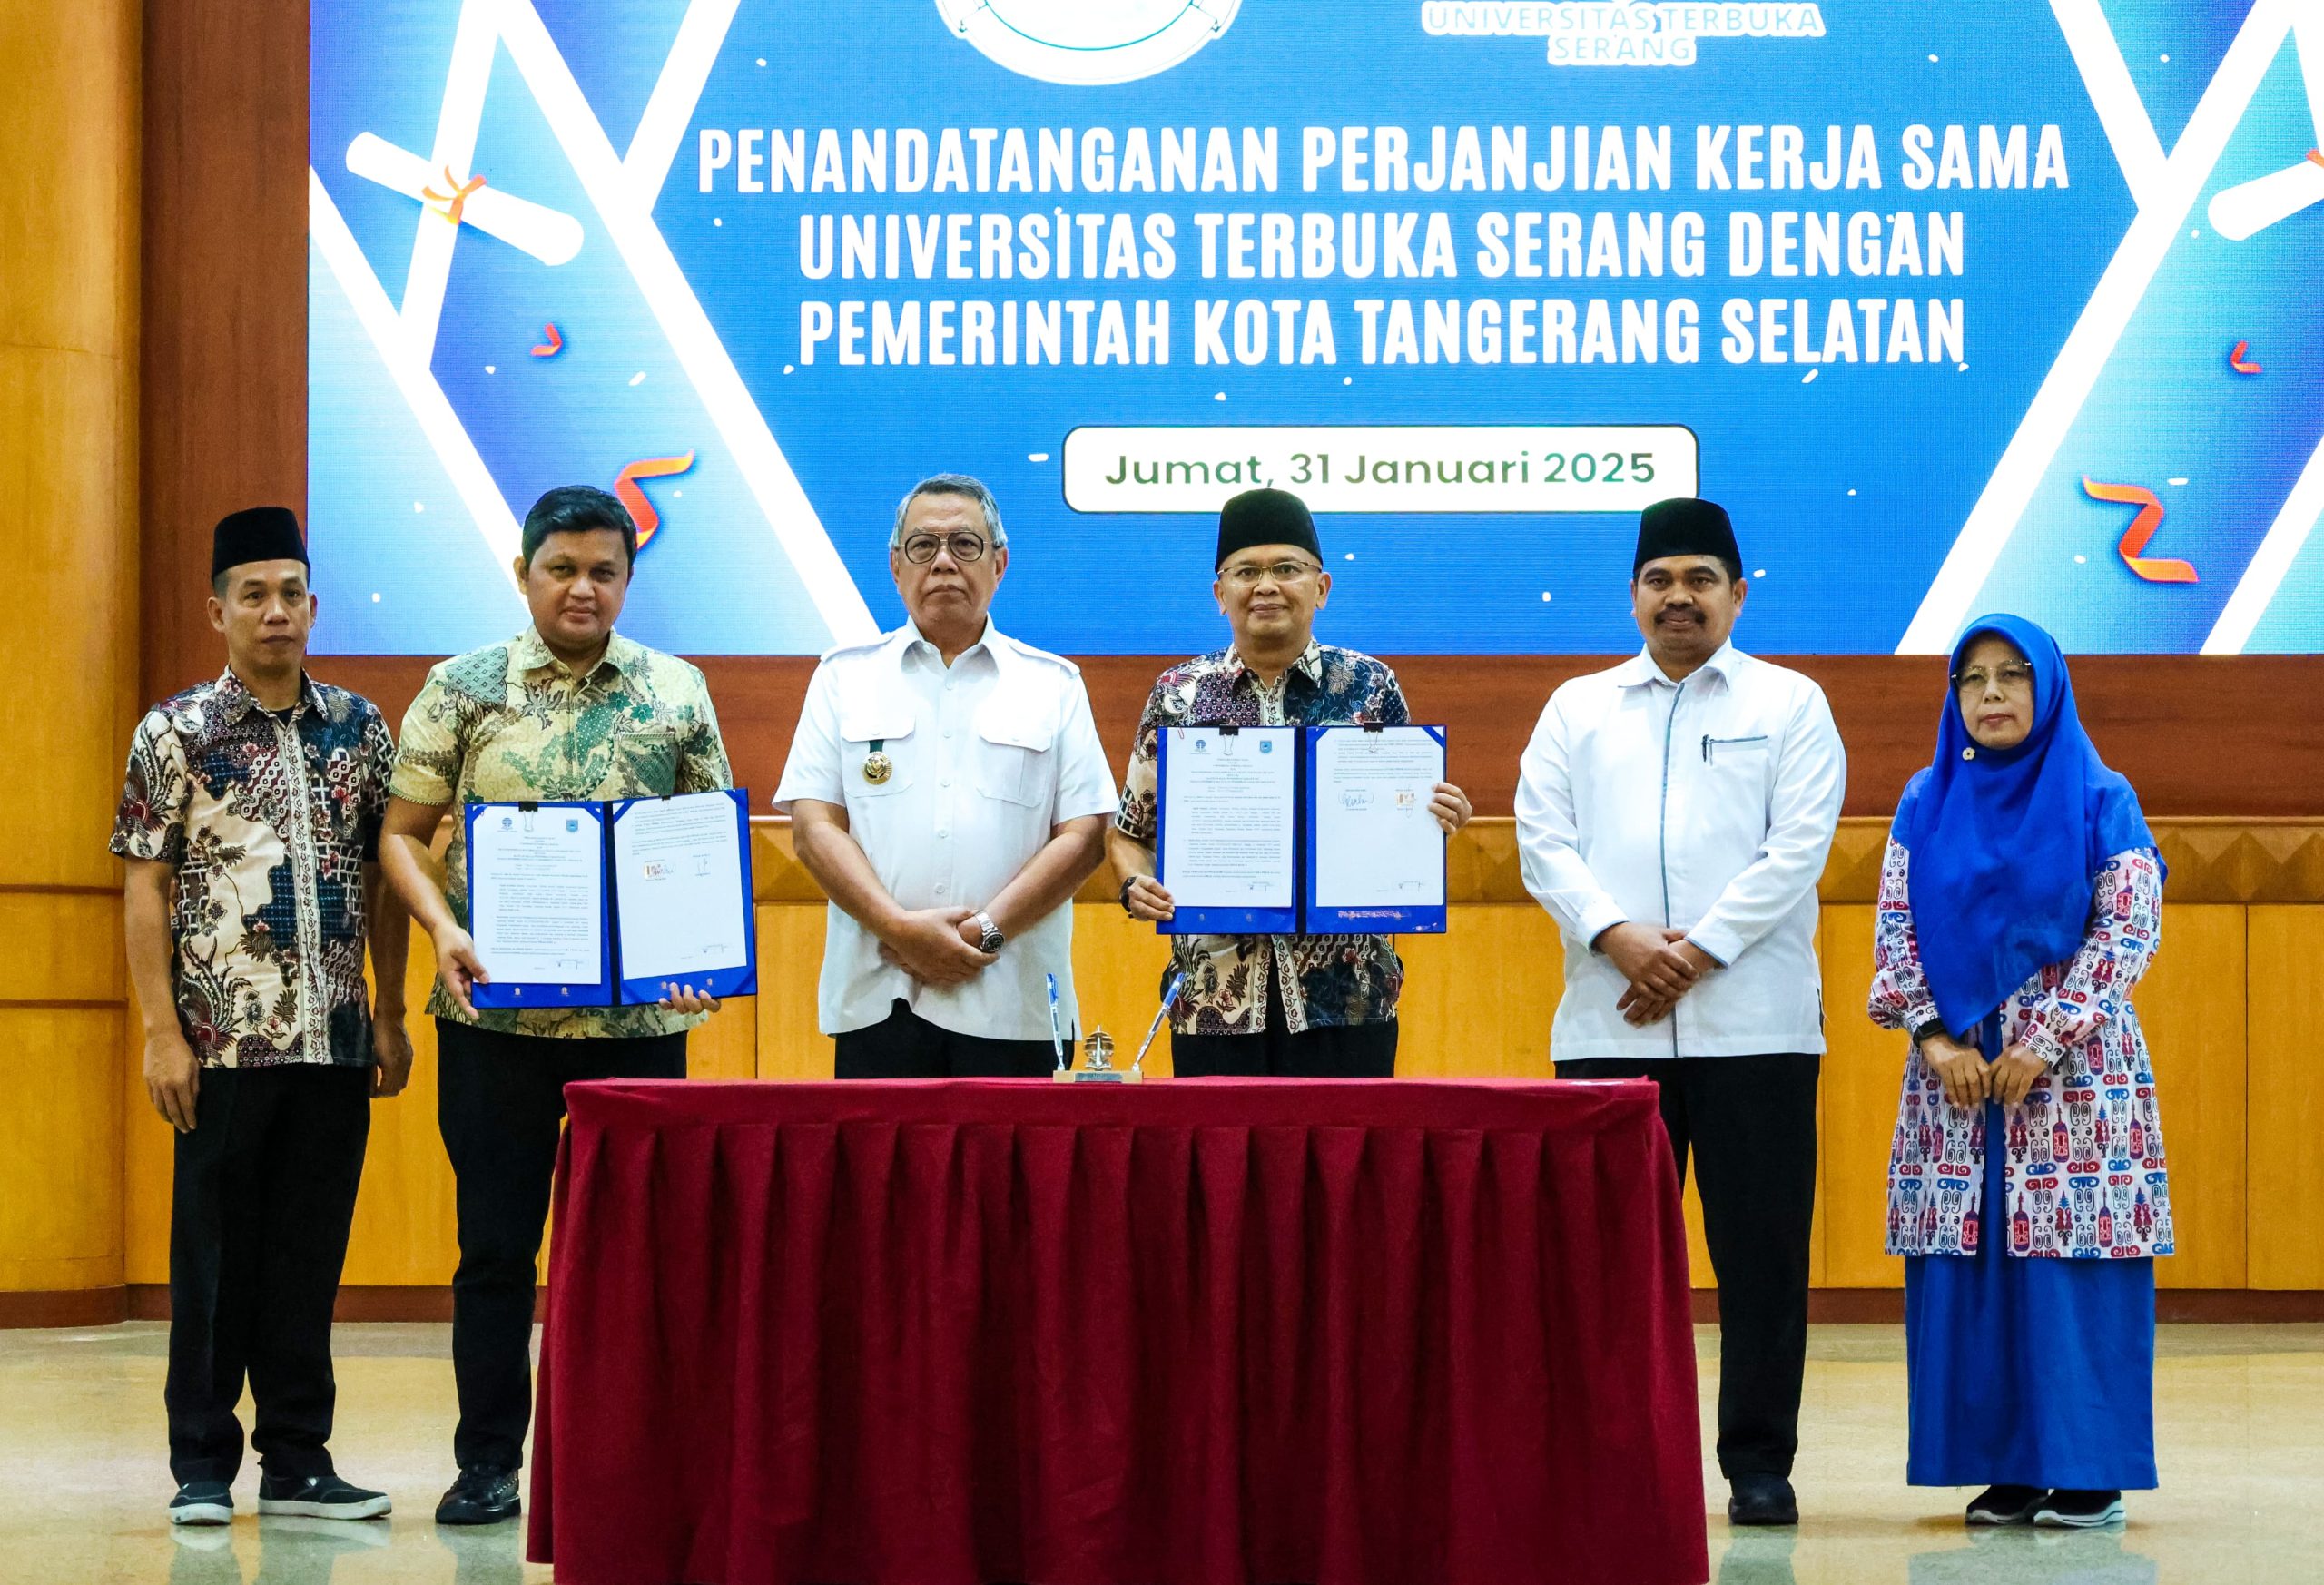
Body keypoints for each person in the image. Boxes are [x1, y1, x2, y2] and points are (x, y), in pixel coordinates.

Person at [378, 485, 731, 1525]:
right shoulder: (464, 687)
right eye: (561, 568)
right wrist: (442, 928)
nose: (582, 588)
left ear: (628, 579)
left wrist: (696, 956)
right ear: (525, 571)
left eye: (603, 571)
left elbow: (702, 840)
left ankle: (636, 1461)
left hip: (637, 1036)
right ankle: (488, 1462)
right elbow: (401, 831)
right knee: (493, 1248)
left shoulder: (676, 690)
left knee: (635, 1256)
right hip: (493, 1026)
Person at [1513, 496, 1845, 1527]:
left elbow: (1797, 850)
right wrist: (1619, 938)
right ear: (1632, 597)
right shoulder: (1577, 707)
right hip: (1611, 1031)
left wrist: (1693, 953)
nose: (1678, 599)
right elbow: (1540, 842)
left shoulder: (1792, 705)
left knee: (1760, 1258)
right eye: (1659, 581)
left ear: (1738, 595)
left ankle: (1757, 1463)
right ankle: (1614, 1455)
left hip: (1758, 1030)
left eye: (1700, 580)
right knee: (1607, 1266)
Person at [113, 507, 410, 1527]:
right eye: (254, 594)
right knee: (213, 1258)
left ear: (312, 605)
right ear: (218, 610)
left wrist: (389, 1009)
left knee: (307, 1256)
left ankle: (297, 1462)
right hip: (222, 1042)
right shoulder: (177, 731)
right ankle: (201, 1465)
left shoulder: (360, 727)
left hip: (334, 1038)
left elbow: (383, 875)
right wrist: (161, 1031)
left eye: (290, 593)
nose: (275, 612)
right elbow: (144, 886)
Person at [1869, 615, 2171, 1530]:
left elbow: (2126, 929)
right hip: (1956, 1077)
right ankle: (1998, 1464)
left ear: (2048, 689)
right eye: (1972, 679)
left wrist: (2044, 1039)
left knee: (2070, 1261)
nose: (1992, 694)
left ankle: (2087, 1469)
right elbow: (1896, 930)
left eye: (2012, 676)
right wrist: (1934, 1039)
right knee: (1973, 1264)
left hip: (2072, 1076)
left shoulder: (2098, 792)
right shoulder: (1927, 798)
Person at [1108, 487, 1472, 1075]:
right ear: (1219, 592)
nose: (1266, 585)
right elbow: (1129, 833)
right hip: (1214, 1002)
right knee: (1222, 1168)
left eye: (1286, 569)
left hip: (1348, 1002)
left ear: (1321, 588)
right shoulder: (1179, 694)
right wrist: (1134, 887)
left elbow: (1403, 823)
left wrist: (1436, 821)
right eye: (1246, 571)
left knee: (1344, 1167)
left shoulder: (1370, 687)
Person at [776, 474, 1116, 1074]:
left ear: (999, 564)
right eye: (923, 546)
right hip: (879, 1000)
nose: (943, 563)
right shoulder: (843, 678)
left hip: (1014, 1004)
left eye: (964, 545)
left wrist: (987, 930)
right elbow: (814, 827)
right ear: (895, 566)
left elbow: (1085, 836)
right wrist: (899, 929)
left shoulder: (1053, 684)